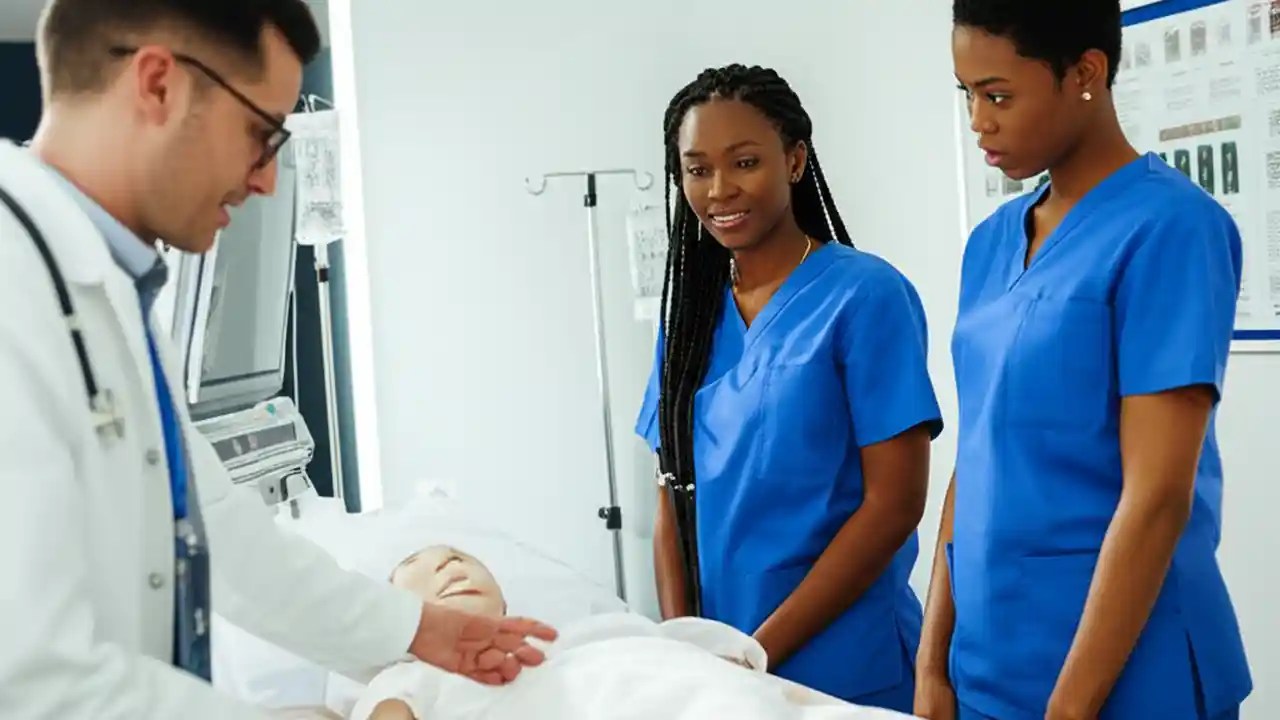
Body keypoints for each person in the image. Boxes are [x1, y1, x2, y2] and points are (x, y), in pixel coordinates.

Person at [0, 1, 554, 718]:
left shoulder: (113, 291)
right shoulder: (16, 283)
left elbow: (219, 530)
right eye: (262, 134)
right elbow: (28, 674)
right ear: (159, 85)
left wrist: (416, 628)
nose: (266, 181)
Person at [917, 3, 1253, 719]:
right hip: (987, 663)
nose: (978, 121)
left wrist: (1069, 710)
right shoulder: (989, 244)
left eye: (998, 95)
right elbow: (975, 458)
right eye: (967, 94)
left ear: (1085, 73)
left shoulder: (1171, 228)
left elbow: (1158, 495)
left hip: (1129, 675)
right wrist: (932, 659)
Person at [633, 63, 944, 712]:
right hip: (726, 677)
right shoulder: (688, 323)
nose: (720, 189)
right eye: (697, 169)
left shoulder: (865, 296)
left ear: (795, 160)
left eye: (744, 162)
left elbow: (894, 505)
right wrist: (688, 649)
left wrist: (758, 651)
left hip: (848, 667)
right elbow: (670, 503)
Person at [353, 545, 916, 720]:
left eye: (456, 558)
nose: (447, 569)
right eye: (421, 576)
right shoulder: (415, 674)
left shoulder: (598, 632)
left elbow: (714, 664)